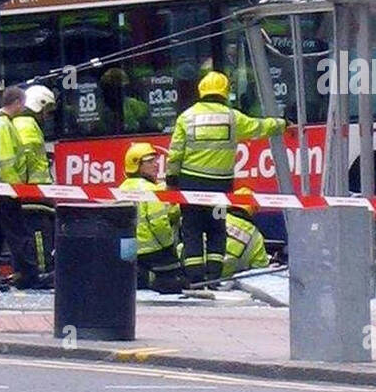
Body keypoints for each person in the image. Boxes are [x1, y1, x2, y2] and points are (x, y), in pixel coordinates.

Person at [166, 71, 287, 287]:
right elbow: (259, 127)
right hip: (220, 189)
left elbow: (175, 153)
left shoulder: (186, 117)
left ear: (202, 90)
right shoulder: (233, 117)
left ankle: (194, 277)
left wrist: (172, 181)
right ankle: (214, 277)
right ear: (224, 92)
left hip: (191, 186)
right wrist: (282, 124)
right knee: (216, 227)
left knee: (192, 228)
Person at [0, 87, 44, 289]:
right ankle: (28, 275)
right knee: (19, 234)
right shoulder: (4, 125)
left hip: (1, 189)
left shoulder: (3, 123)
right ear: (16, 103)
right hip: (7, 189)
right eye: (22, 104)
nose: (23, 108)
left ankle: (17, 274)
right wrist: (16, 188)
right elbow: (6, 161)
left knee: (1, 234)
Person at [119, 142, 183, 293]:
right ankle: (149, 278)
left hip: (127, 251)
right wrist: (168, 245)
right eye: (149, 161)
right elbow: (159, 223)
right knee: (176, 278)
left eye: (156, 161)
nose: (155, 165)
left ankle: (141, 276)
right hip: (153, 252)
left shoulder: (120, 189)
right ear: (136, 165)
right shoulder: (151, 190)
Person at [16, 85, 57, 281]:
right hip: (32, 192)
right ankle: (42, 271)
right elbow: (26, 156)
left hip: (31, 190)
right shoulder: (27, 125)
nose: (47, 117)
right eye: (46, 111)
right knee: (39, 233)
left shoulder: (23, 123)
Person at [220, 187, 271, 279]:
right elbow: (260, 268)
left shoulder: (216, 220)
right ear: (253, 209)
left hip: (193, 271)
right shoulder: (256, 237)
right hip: (223, 281)